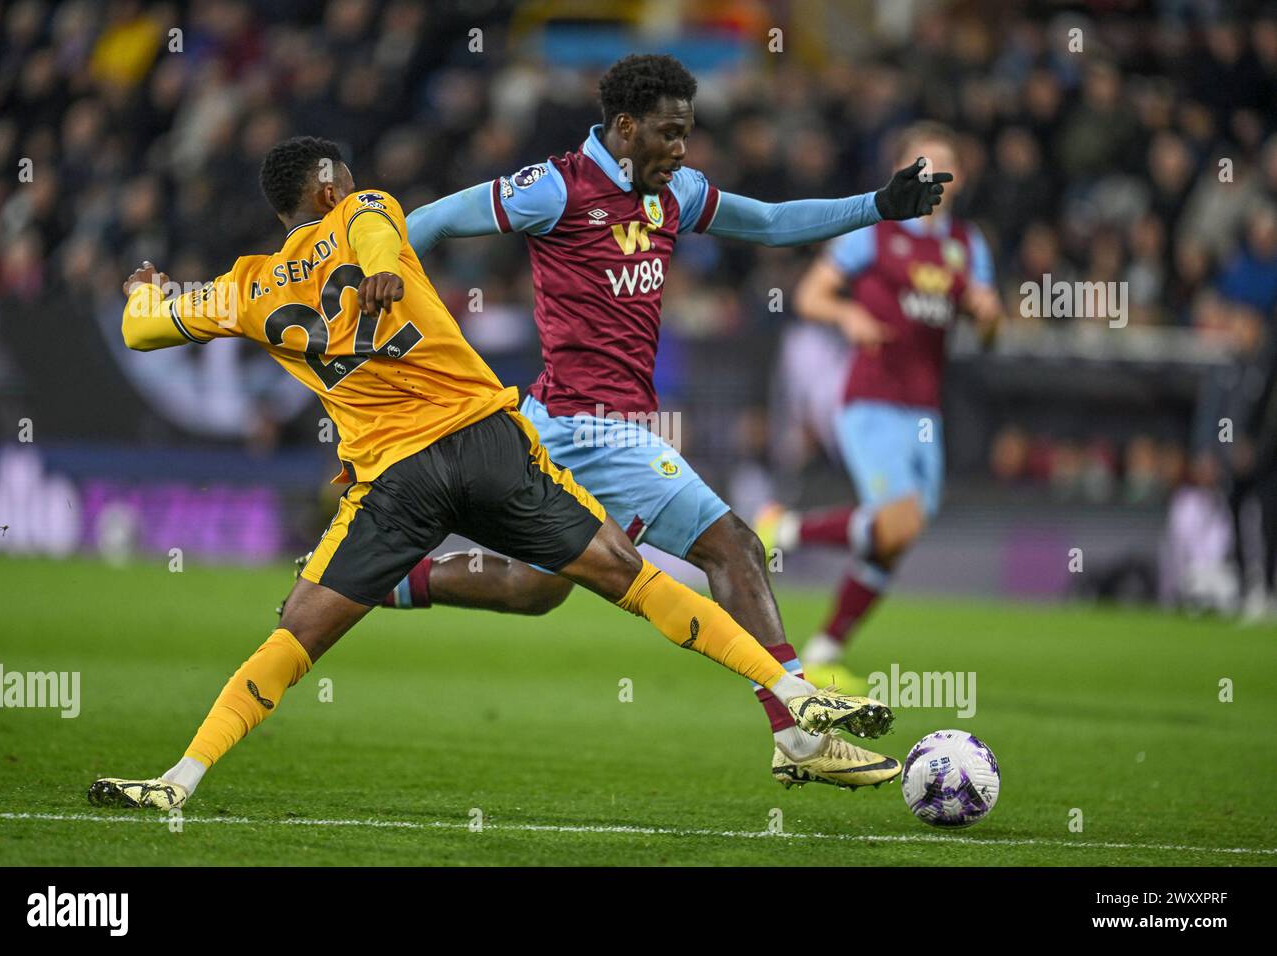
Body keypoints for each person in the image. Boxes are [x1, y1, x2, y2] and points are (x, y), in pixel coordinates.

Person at [87, 136, 894, 811]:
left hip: (392, 481)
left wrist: (141, 290)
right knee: (627, 574)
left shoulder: (245, 287)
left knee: (296, 634)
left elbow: (142, 328)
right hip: (485, 442)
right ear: (332, 183)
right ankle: (794, 698)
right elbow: (371, 238)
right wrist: (382, 270)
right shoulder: (367, 210)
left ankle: (177, 781)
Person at [355, 54, 950, 790]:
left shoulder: (677, 192)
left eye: (687, 136)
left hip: (563, 425)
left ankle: (379, 579)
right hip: (590, 426)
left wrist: (878, 206)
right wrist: (375, 275)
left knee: (536, 590)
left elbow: (768, 224)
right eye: (669, 135)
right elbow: (428, 222)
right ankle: (797, 733)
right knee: (732, 545)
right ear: (626, 127)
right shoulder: (555, 188)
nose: (681, 151)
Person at [762, 121, 1002, 689]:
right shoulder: (874, 231)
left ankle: (823, 649)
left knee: (898, 536)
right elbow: (808, 296)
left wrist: (991, 318)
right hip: (871, 398)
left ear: (961, 176)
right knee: (900, 519)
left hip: (925, 410)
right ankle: (784, 529)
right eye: (921, 160)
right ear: (902, 170)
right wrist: (847, 315)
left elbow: (987, 329)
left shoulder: (969, 246)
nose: (934, 169)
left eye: (945, 161)